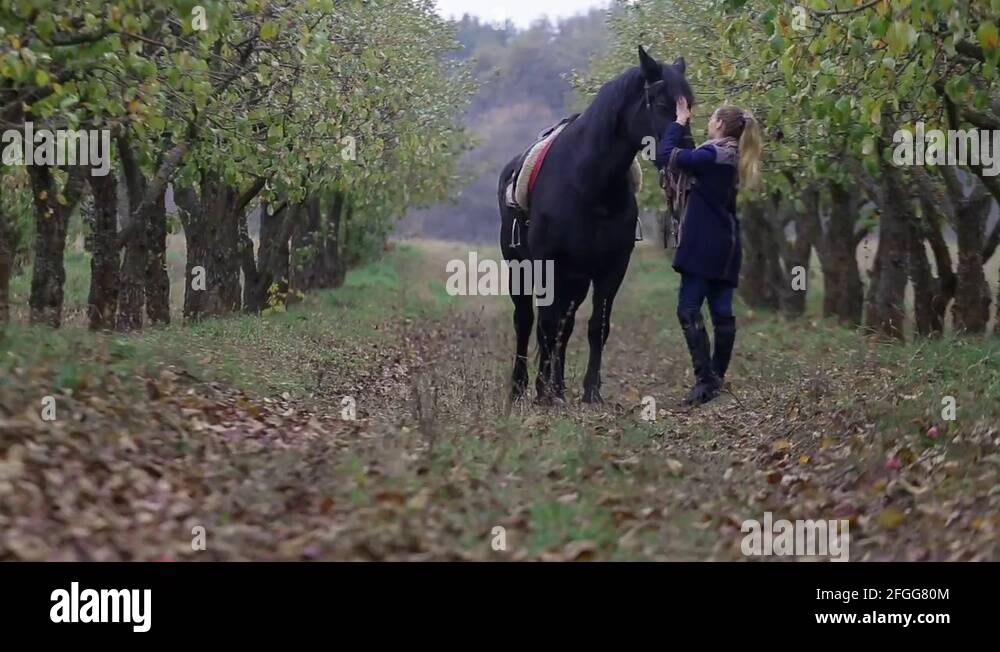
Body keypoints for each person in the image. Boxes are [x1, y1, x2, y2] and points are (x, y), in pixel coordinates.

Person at [656, 98, 763, 406]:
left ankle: (706, 380)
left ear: (719, 124)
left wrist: (679, 120)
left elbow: (667, 156)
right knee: (721, 312)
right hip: (728, 244)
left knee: (688, 308)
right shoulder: (736, 155)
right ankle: (716, 377)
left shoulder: (711, 154)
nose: (707, 122)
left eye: (711, 119)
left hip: (704, 243)